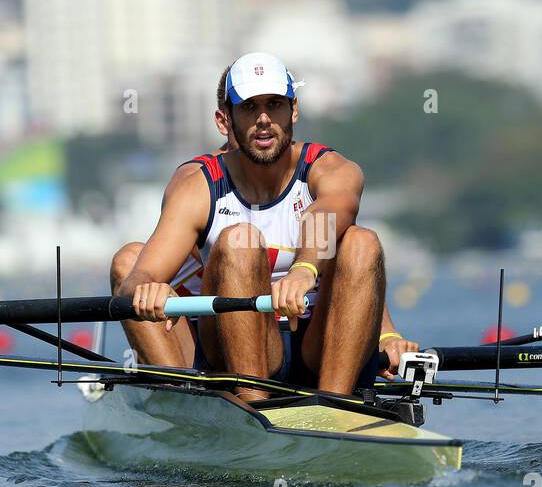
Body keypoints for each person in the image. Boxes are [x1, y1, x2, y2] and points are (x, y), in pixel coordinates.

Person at [116, 52, 403, 400]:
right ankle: (242, 407)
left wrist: (304, 271)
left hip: (316, 346)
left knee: (362, 241)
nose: (264, 119)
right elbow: (137, 277)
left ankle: (335, 407)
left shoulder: (333, 169)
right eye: (250, 108)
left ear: (293, 110)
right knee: (239, 241)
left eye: (275, 105)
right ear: (227, 120)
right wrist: (148, 290)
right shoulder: (198, 187)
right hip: (236, 347)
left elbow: (328, 215)